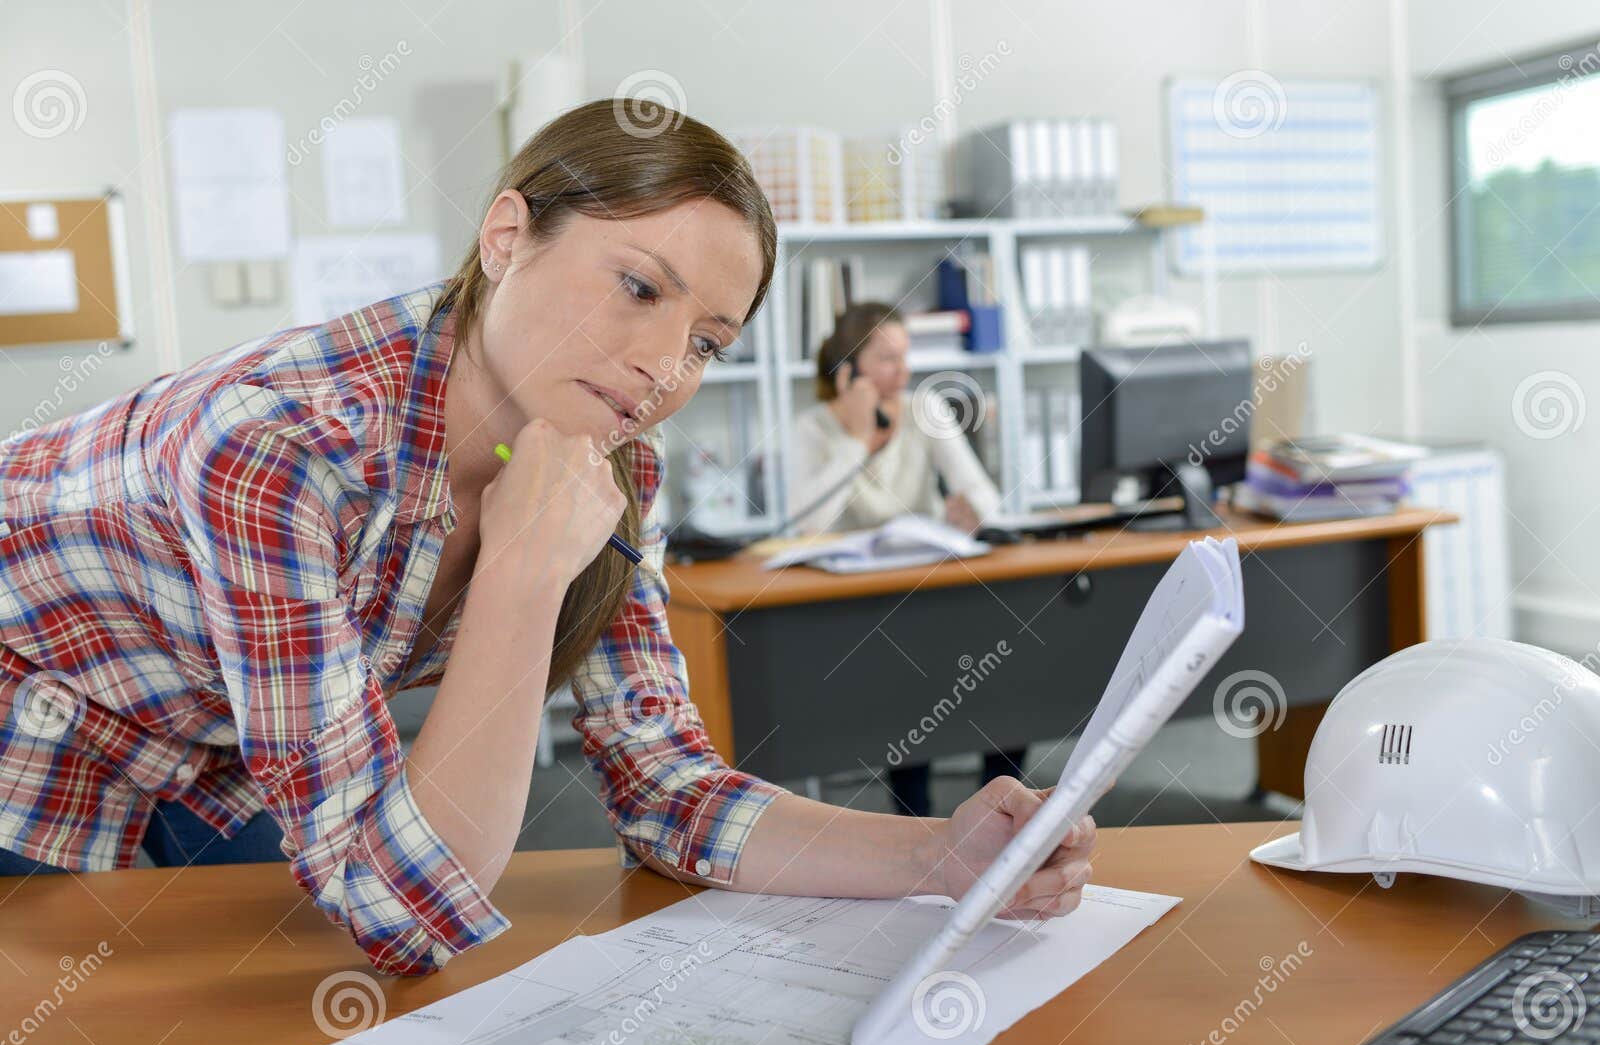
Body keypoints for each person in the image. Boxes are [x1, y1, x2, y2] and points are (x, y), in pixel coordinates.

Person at [0, 99, 1094, 976]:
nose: (664, 367)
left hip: (214, 742)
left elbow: (665, 787)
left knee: (263, 1028)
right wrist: (522, 573)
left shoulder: (608, 465)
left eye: (706, 340)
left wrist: (940, 854)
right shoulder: (281, 445)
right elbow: (412, 910)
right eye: (635, 287)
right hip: (29, 705)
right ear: (507, 236)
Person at [789, 303, 1025, 817]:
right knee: (909, 680)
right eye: (887, 359)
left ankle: (1005, 798)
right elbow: (809, 525)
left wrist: (971, 514)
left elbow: (983, 494)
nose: (904, 371)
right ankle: (913, 811)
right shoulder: (813, 429)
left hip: (929, 580)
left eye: (905, 356)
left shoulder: (924, 409)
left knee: (1008, 661)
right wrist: (855, 439)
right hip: (858, 601)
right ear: (848, 366)